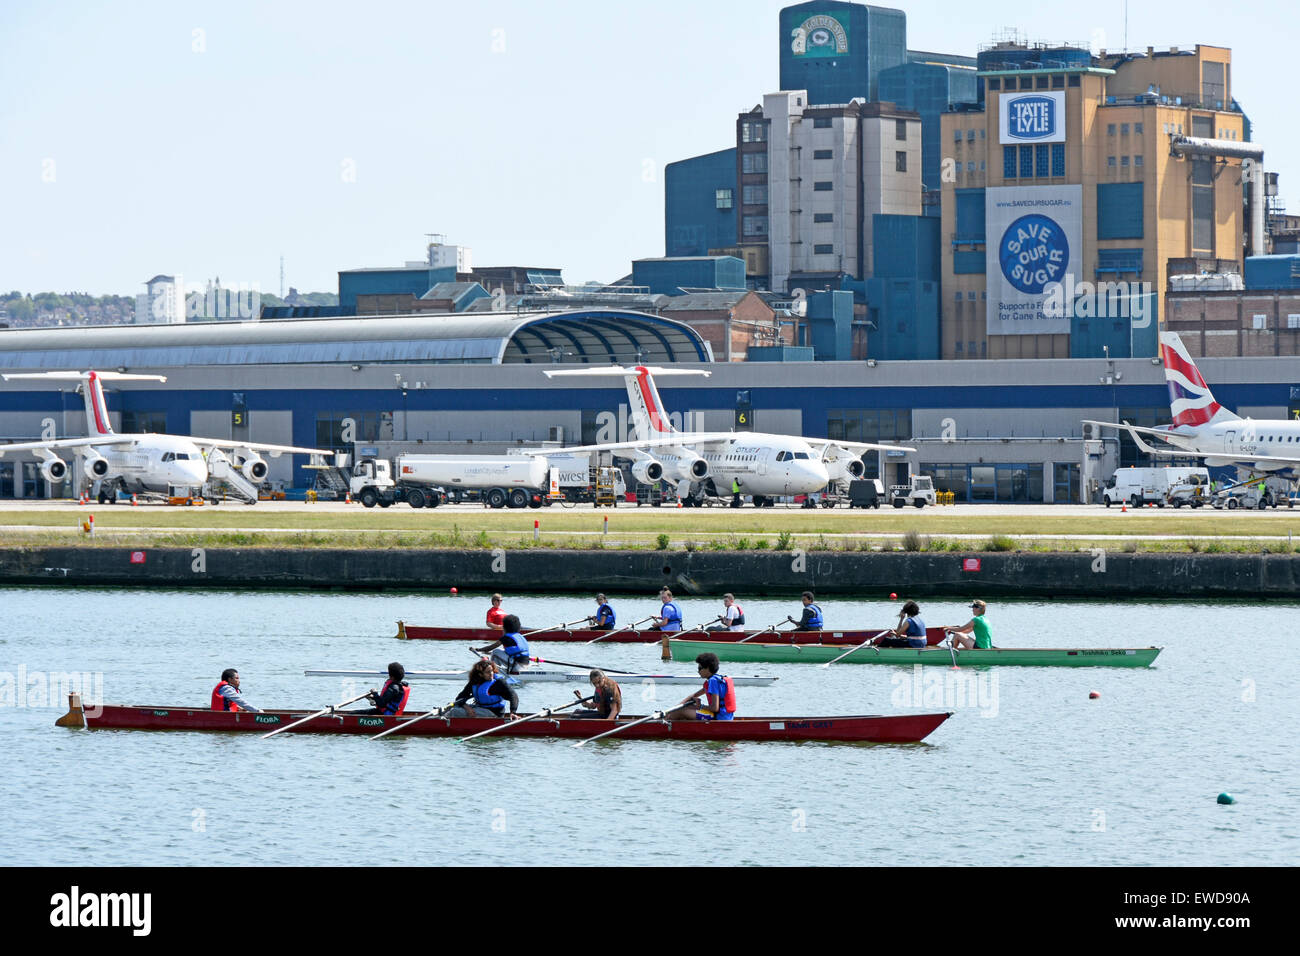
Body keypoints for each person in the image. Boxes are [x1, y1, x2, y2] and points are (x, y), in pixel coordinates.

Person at [665, 653, 736, 721]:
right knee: (680, 710)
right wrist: (675, 707)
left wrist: (700, 706)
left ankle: (661, 726)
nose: (698, 671)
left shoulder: (713, 681)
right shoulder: (715, 679)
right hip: (723, 716)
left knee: (681, 711)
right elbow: (694, 695)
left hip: (719, 717)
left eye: (700, 668)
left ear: (707, 668)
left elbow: (715, 708)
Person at [447, 658, 520, 719]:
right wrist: (467, 707)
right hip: (479, 708)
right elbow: (459, 698)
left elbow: (513, 696)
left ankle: (442, 722)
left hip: (494, 713)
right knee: (451, 706)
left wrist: (513, 712)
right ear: (480, 674)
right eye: (488, 672)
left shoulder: (499, 682)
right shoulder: (474, 682)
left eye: (491, 670)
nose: (491, 674)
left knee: (455, 711)